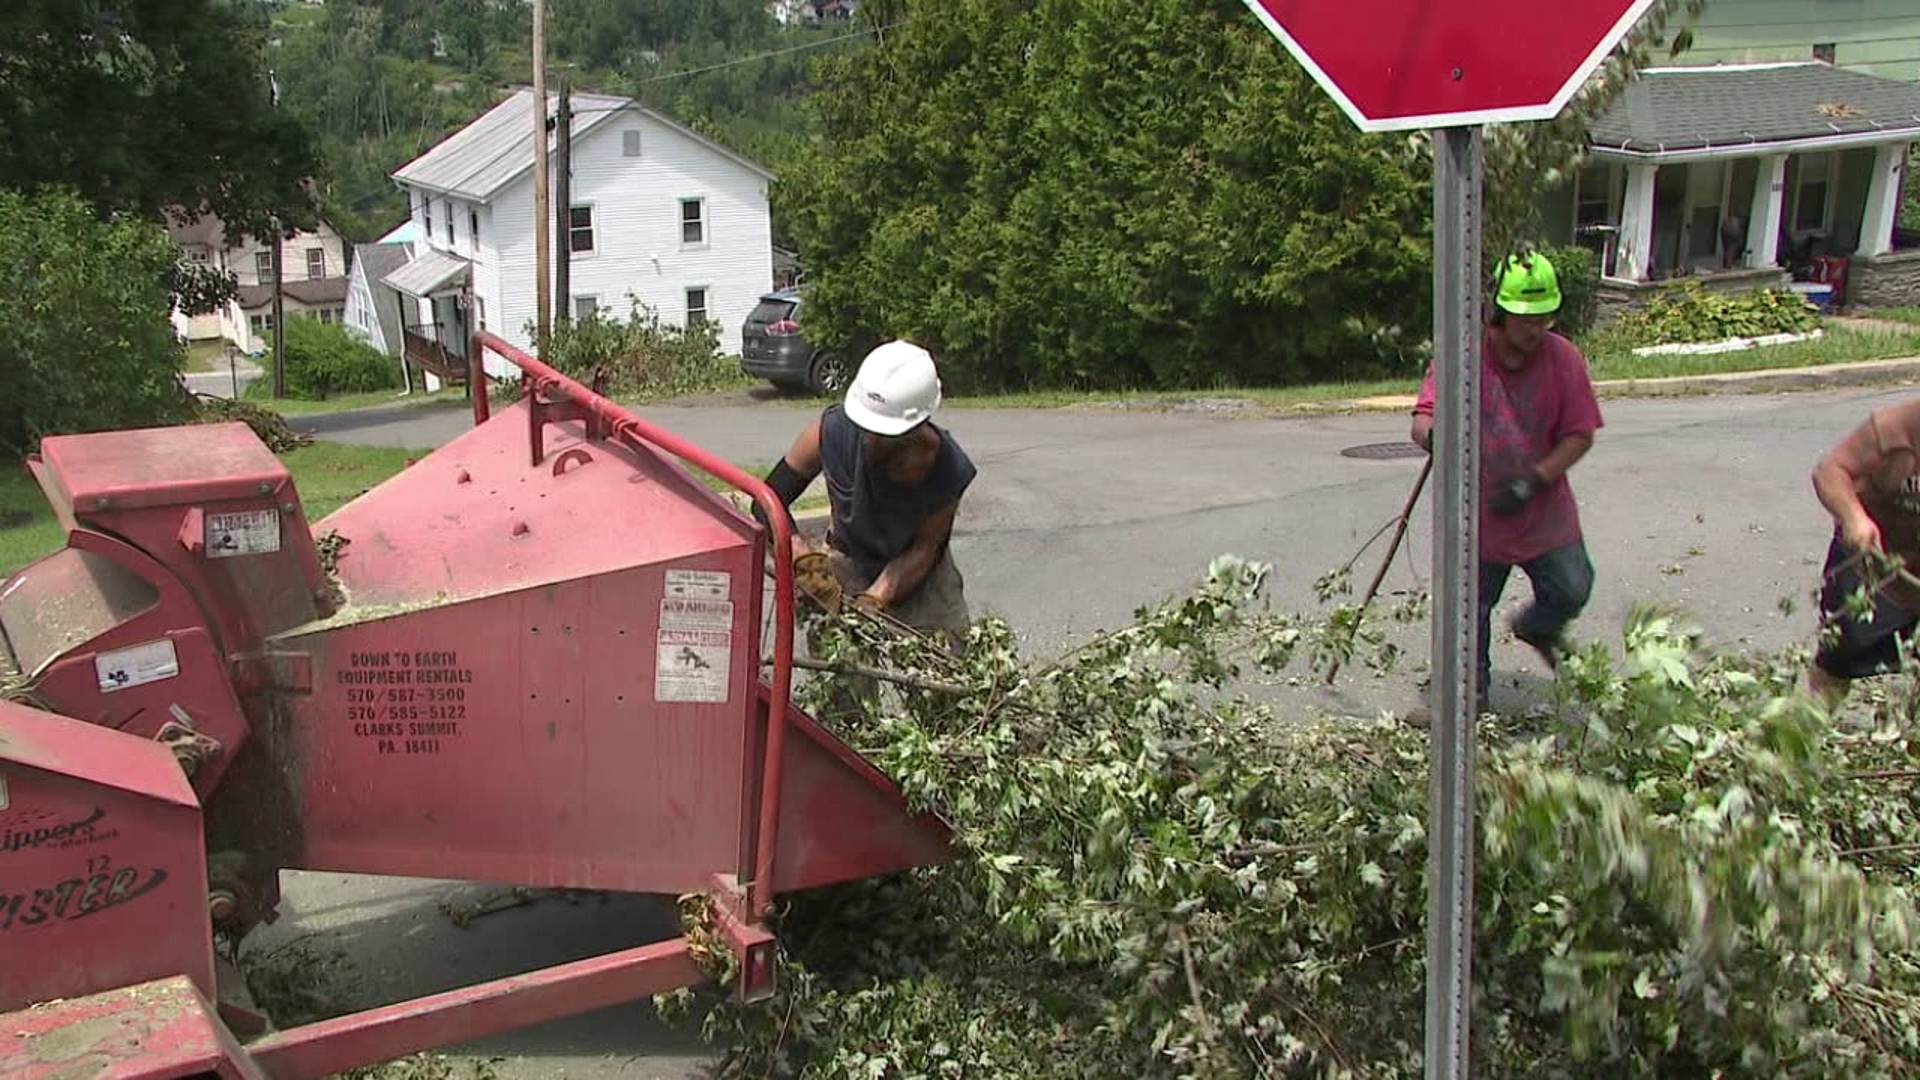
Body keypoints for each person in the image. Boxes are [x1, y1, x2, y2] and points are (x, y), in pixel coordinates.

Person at [1407, 251, 1605, 713]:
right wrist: (1437, 438)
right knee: (1468, 613)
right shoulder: (1463, 357)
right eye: (1525, 319)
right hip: (1476, 519)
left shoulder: (1563, 359)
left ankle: (1537, 626)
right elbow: (1421, 420)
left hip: (1542, 512)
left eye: (1544, 317)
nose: (1536, 329)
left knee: (1573, 587)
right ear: (1500, 311)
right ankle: (1466, 699)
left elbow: (1580, 435)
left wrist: (1534, 480)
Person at [754, 339, 976, 648]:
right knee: (843, 678)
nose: (868, 438)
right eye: (865, 425)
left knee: (948, 669)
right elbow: (767, 500)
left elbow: (923, 551)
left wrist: (874, 599)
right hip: (847, 561)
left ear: (913, 427)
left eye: (882, 433)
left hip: (921, 578)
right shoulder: (828, 431)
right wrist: (804, 560)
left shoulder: (949, 469)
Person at [1805, 397, 1920, 704]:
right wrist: (1853, 517)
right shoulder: (1893, 427)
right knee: (1841, 653)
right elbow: (1830, 470)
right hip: (1871, 560)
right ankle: (1809, 733)